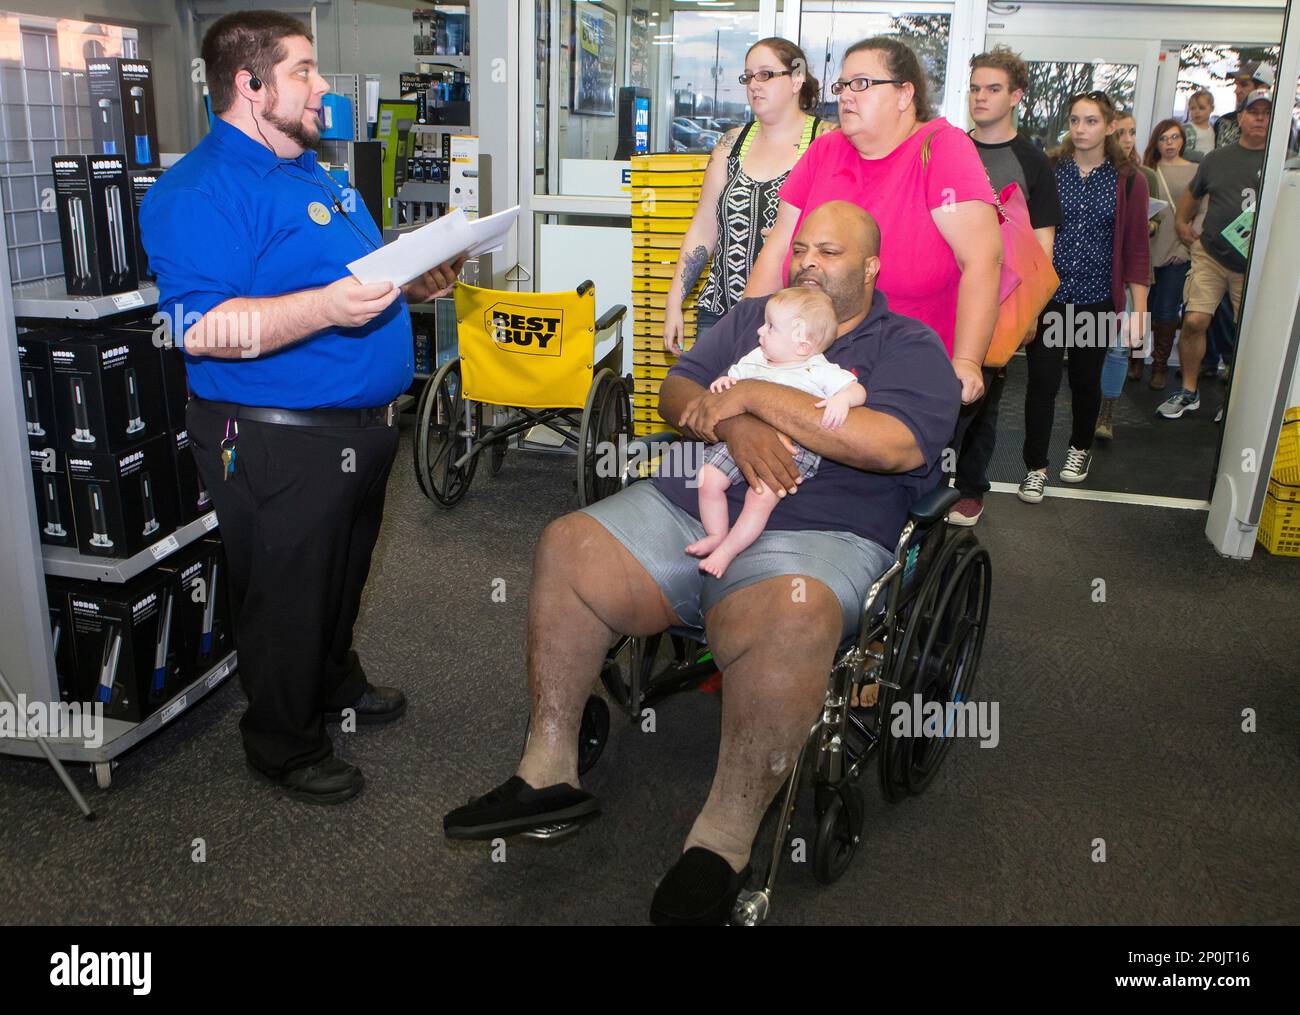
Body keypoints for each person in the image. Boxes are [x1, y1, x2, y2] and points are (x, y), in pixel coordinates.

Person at [443, 202, 959, 926]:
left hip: (817, 534)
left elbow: (892, 445)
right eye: (802, 246)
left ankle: (721, 841)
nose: (808, 259)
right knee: (567, 544)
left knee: (796, 612)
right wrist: (737, 423)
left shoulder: (907, 345)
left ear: (873, 266)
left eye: (831, 251)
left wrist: (754, 395)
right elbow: (677, 389)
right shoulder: (756, 317)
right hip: (688, 505)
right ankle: (547, 770)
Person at [142, 12, 461, 804]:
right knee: (287, 591)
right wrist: (327, 308)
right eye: (305, 72)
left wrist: (408, 279)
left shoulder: (315, 169)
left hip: (360, 430)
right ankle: (282, 743)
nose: (323, 88)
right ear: (251, 86)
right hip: (273, 438)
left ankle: (331, 682)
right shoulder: (198, 190)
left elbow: (349, 270)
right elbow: (200, 327)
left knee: (342, 574)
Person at [744, 35, 1001, 406]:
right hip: (809, 364)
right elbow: (779, 246)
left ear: (903, 94)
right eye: (843, 84)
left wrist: (966, 361)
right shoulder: (825, 150)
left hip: (906, 371)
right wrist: (744, 334)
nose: (846, 94)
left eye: (862, 83)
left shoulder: (942, 148)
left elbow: (981, 259)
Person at [1018, 91, 1150, 503]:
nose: (1080, 129)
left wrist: (1139, 310)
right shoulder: (1051, 169)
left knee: (1084, 381)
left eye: (1091, 121)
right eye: (1075, 120)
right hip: (1050, 297)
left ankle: (1079, 448)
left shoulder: (1129, 179)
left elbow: (1135, 251)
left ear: (1110, 126)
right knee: (1041, 382)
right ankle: (1035, 467)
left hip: (1095, 299)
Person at [949, 46, 1061, 527]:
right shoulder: (950, 146)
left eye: (992, 89)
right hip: (939, 289)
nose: (980, 97)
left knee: (981, 396)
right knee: (930, 390)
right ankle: (923, 483)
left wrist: (1032, 312)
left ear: (1016, 96)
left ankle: (970, 488)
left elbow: (1041, 243)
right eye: (975, 88)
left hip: (998, 297)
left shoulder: (1032, 162)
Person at [663, 38, 831, 353]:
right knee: (709, 401)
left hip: (792, 323)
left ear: (797, 78)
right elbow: (704, 227)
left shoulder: (825, 142)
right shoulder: (731, 145)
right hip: (720, 313)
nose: (754, 85)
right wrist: (675, 302)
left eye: (766, 74)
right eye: (748, 76)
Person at [689, 287, 865, 577]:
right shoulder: (756, 357)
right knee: (707, 478)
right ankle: (716, 533)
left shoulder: (816, 369)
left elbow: (855, 389)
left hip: (795, 448)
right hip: (743, 437)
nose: (760, 330)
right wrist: (722, 384)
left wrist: (842, 399)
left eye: (771, 327)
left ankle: (729, 550)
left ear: (802, 345)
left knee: (760, 497)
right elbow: (730, 378)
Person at [1158, 88, 1270, 420]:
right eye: (1254, 112)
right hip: (1211, 253)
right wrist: (1181, 221)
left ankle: (1235, 401)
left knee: (1246, 334)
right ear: (1241, 117)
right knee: (1194, 321)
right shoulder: (1217, 159)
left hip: (1254, 265)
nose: (1260, 118)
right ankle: (1189, 392)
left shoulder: (1285, 161)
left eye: (1266, 113)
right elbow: (1193, 196)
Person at [1096, 109, 1159, 413]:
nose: (1128, 139)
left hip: (1128, 273)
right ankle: (1089, 406)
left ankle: (1106, 412)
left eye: (1132, 132)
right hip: (1094, 273)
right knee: (1086, 344)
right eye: (1121, 132)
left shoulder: (1142, 177)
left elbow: (1145, 233)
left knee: (1118, 346)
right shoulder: (1093, 172)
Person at [1139, 119, 1196, 391]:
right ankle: (1134, 359)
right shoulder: (1147, 171)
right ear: (1156, 143)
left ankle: (1159, 365)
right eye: (1164, 138)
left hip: (1177, 252)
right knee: (1141, 308)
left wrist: (1185, 248)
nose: (1170, 143)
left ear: (1183, 140)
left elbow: (1200, 213)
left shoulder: (1196, 172)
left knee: (1166, 310)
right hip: (1146, 250)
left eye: (1175, 137)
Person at [1215, 62, 1274, 149]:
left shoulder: (1280, 124)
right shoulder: (1224, 121)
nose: (1236, 91)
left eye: (1244, 85)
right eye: (1236, 85)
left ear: (1262, 89)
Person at [1182, 90, 1215, 161]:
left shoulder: (1212, 127)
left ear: (1212, 109)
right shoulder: (1188, 129)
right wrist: (1205, 156)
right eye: (1192, 108)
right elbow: (1184, 152)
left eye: (1201, 108)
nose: (1197, 112)